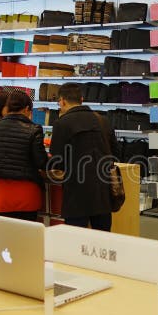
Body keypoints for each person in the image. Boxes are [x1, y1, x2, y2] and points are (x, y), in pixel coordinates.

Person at [49, 83, 119, 231]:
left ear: (62, 100)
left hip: (76, 193)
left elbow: (57, 161)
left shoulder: (62, 123)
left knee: (76, 241)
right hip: (103, 191)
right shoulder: (103, 120)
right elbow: (114, 152)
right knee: (103, 240)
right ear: (81, 99)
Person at [0, 90, 48, 221]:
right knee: (27, 238)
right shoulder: (34, 129)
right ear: (27, 109)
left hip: (2, 195)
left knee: (6, 238)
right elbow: (41, 162)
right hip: (27, 195)